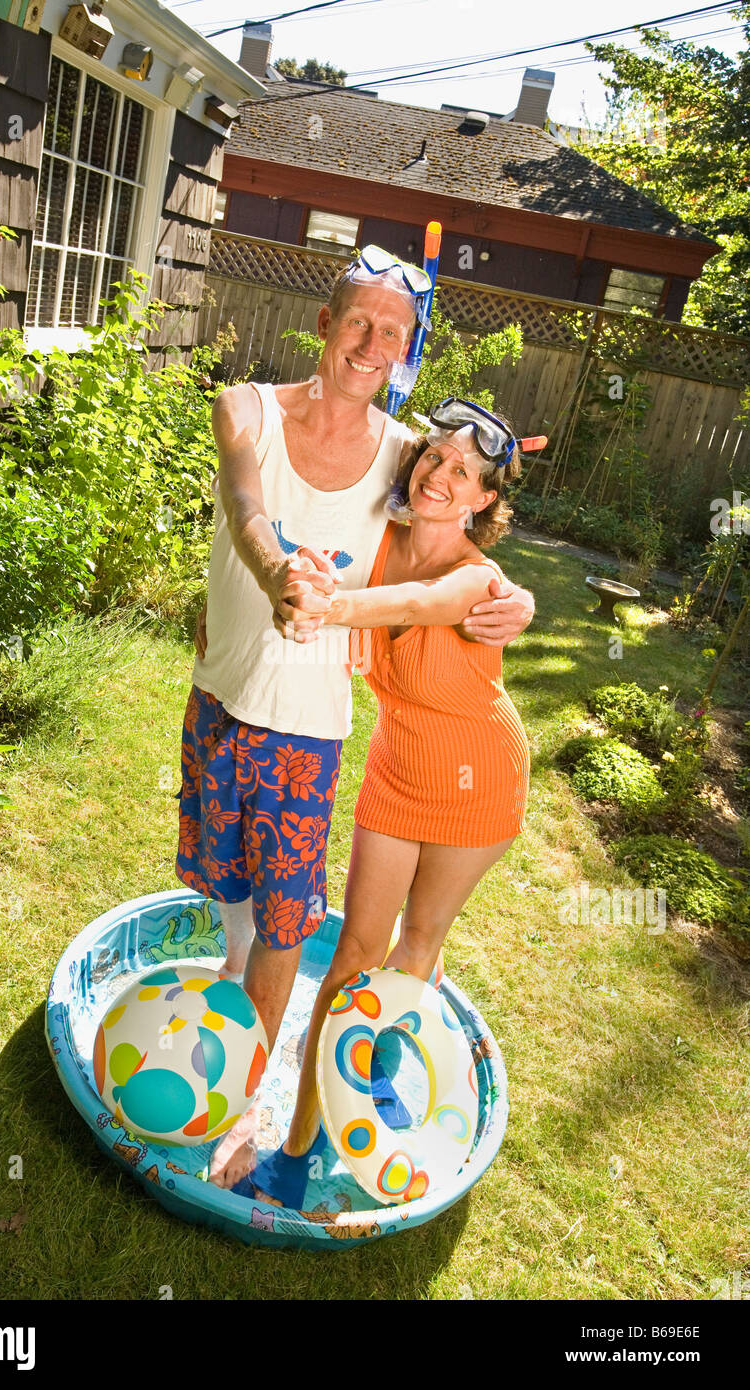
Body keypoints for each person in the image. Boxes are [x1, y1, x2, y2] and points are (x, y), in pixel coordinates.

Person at [175, 249, 536, 1192]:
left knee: (347, 933)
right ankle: (276, 1080)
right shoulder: (262, 416)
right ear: (327, 320)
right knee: (292, 925)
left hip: (391, 754)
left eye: (394, 332)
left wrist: (513, 600)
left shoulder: (431, 512)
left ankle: (308, 1100)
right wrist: (272, 571)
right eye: (359, 321)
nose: (371, 343)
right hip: (300, 733)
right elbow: (250, 503)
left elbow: (435, 586)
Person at [240, 397, 533, 1209]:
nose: (442, 478)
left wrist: (320, 606)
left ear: (485, 500)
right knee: (352, 956)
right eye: (437, 459)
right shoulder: (382, 537)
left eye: (466, 475)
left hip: (481, 779)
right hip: (397, 773)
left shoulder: (476, 577)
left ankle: (377, 1074)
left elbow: (402, 608)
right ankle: (297, 1148)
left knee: (417, 948)